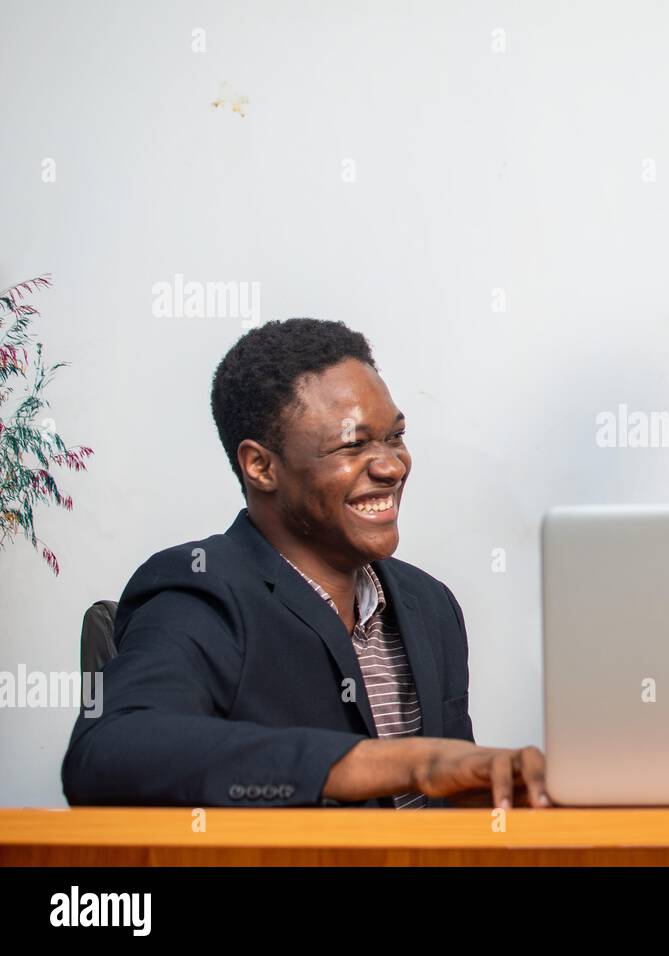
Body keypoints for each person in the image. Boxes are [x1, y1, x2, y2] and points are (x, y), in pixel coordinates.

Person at [63, 318, 549, 809]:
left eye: (395, 437)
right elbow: (106, 754)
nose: (392, 467)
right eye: (353, 445)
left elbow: (450, 805)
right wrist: (404, 762)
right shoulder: (200, 591)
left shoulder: (432, 604)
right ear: (261, 466)